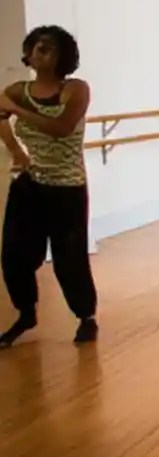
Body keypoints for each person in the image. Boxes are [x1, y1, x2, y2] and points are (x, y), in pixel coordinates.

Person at [0, 26, 98, 348]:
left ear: (62, 57)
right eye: (36, 47)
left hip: (67, 188)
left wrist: (16, 110)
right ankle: (26, 313)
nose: (40, 53)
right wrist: (15, 150)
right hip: (30, 185)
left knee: (69, 260)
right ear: (27, 52)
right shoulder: (18, 91)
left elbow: (61, 127)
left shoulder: (75, 89)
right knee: (14, 256)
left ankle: (86, 317)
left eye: (49, 49)